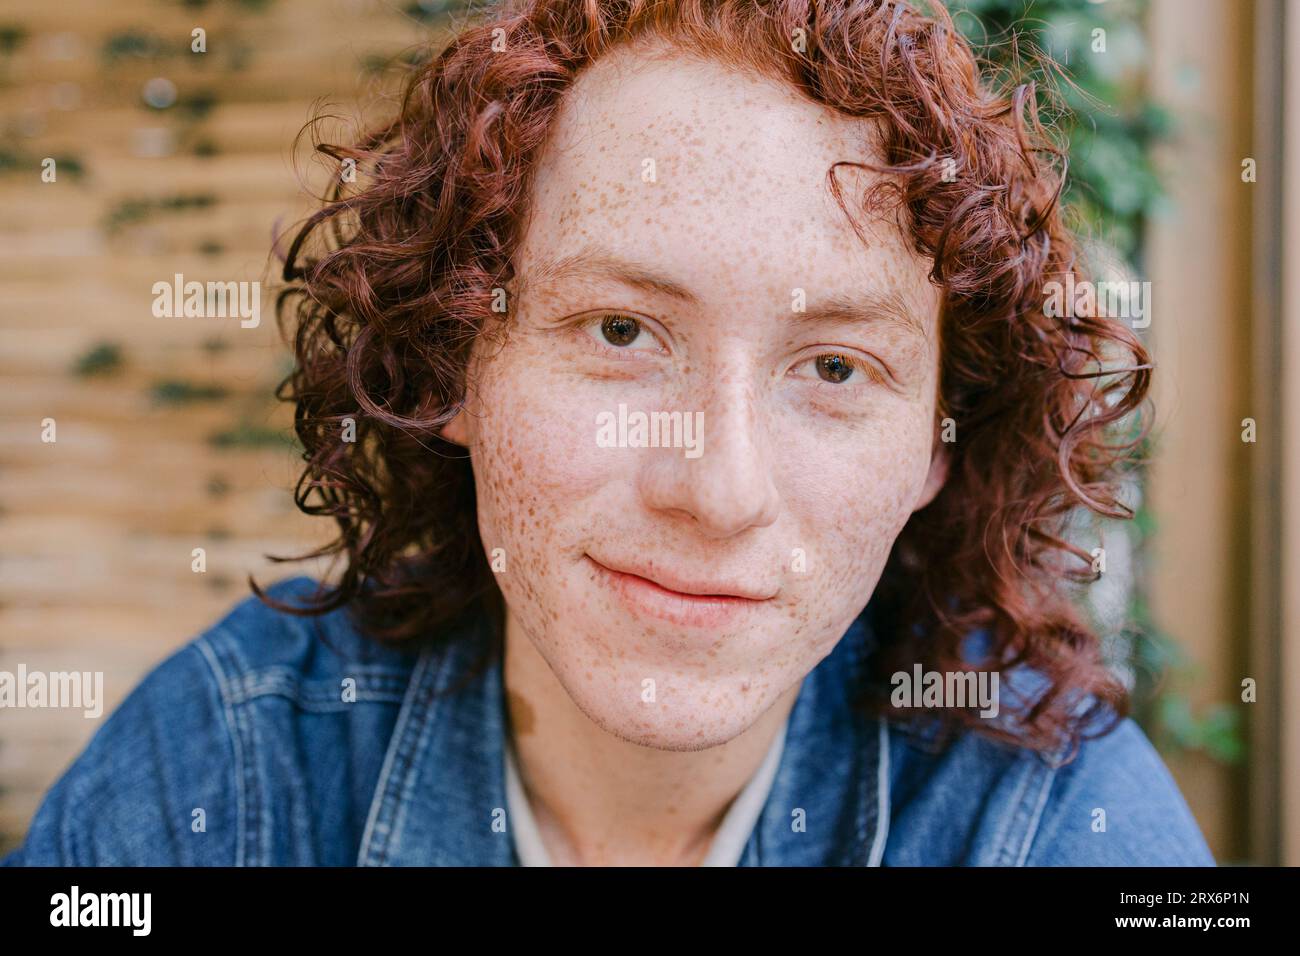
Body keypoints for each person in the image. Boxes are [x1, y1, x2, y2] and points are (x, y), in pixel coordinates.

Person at [3, 0, 1213, 867]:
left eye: (836, 365)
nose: (719, 487)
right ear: (455, 363)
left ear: (938, 443)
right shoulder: (225, 774)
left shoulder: (1048, 819)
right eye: (623, 330)